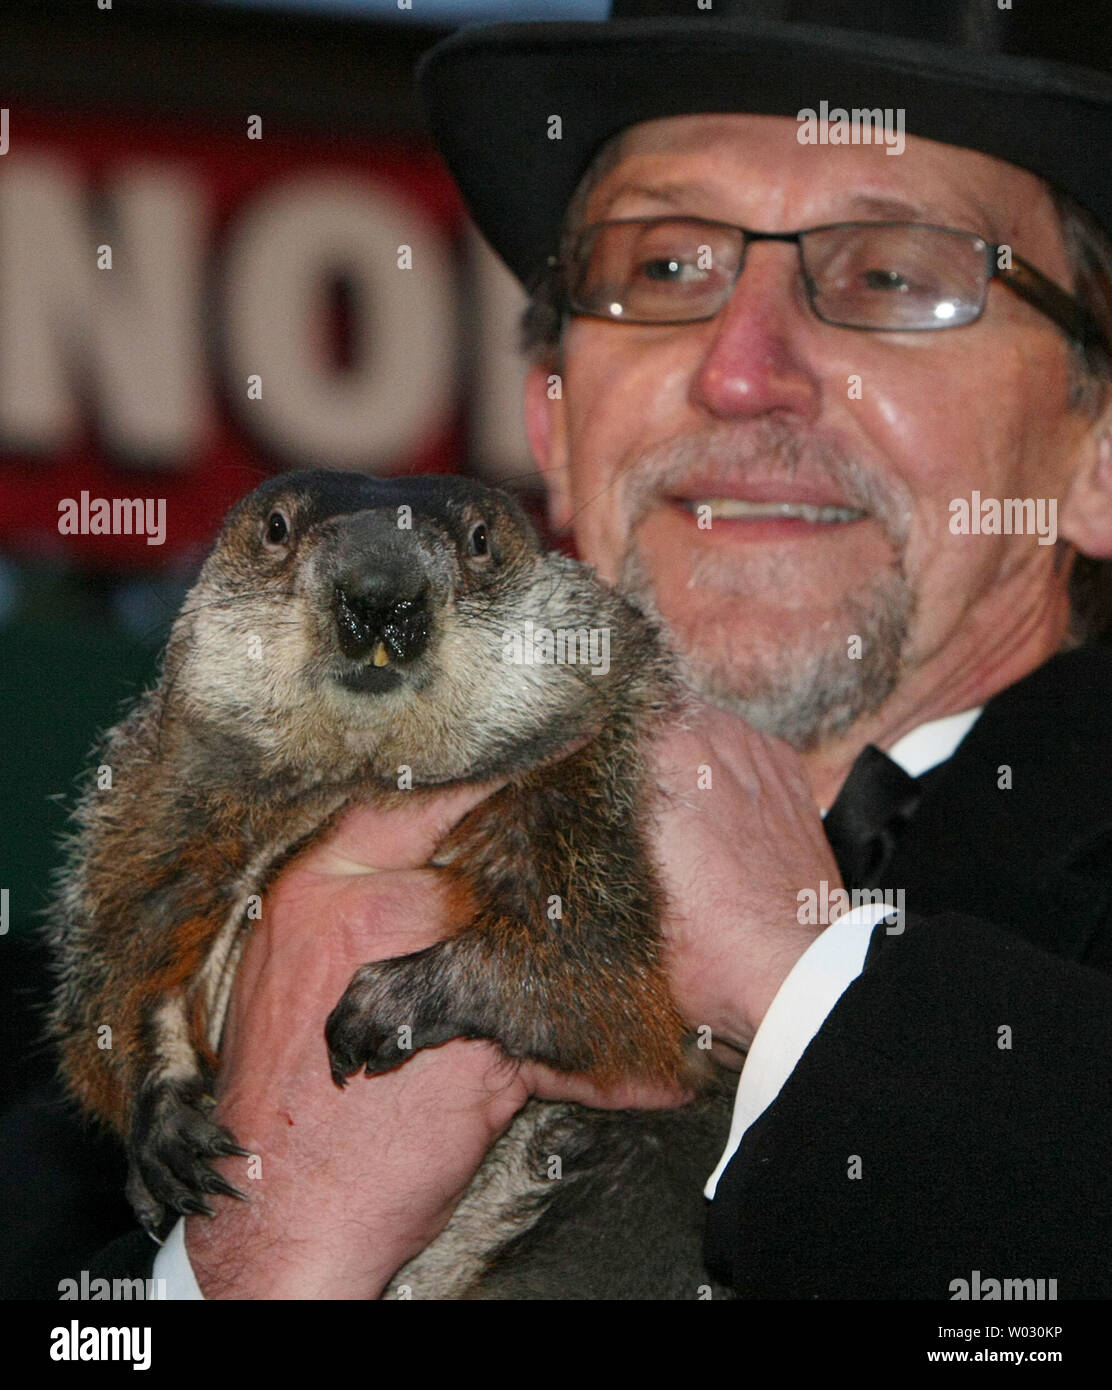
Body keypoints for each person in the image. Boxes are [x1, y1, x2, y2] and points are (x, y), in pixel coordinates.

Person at [94, 0, 1112, 1299]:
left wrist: (807, 993)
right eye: (667, 267)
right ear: (555, 426)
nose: (741, 371)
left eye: (891, 275)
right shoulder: (85, 1071)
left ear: (1100, 451)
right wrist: (260, 1253)